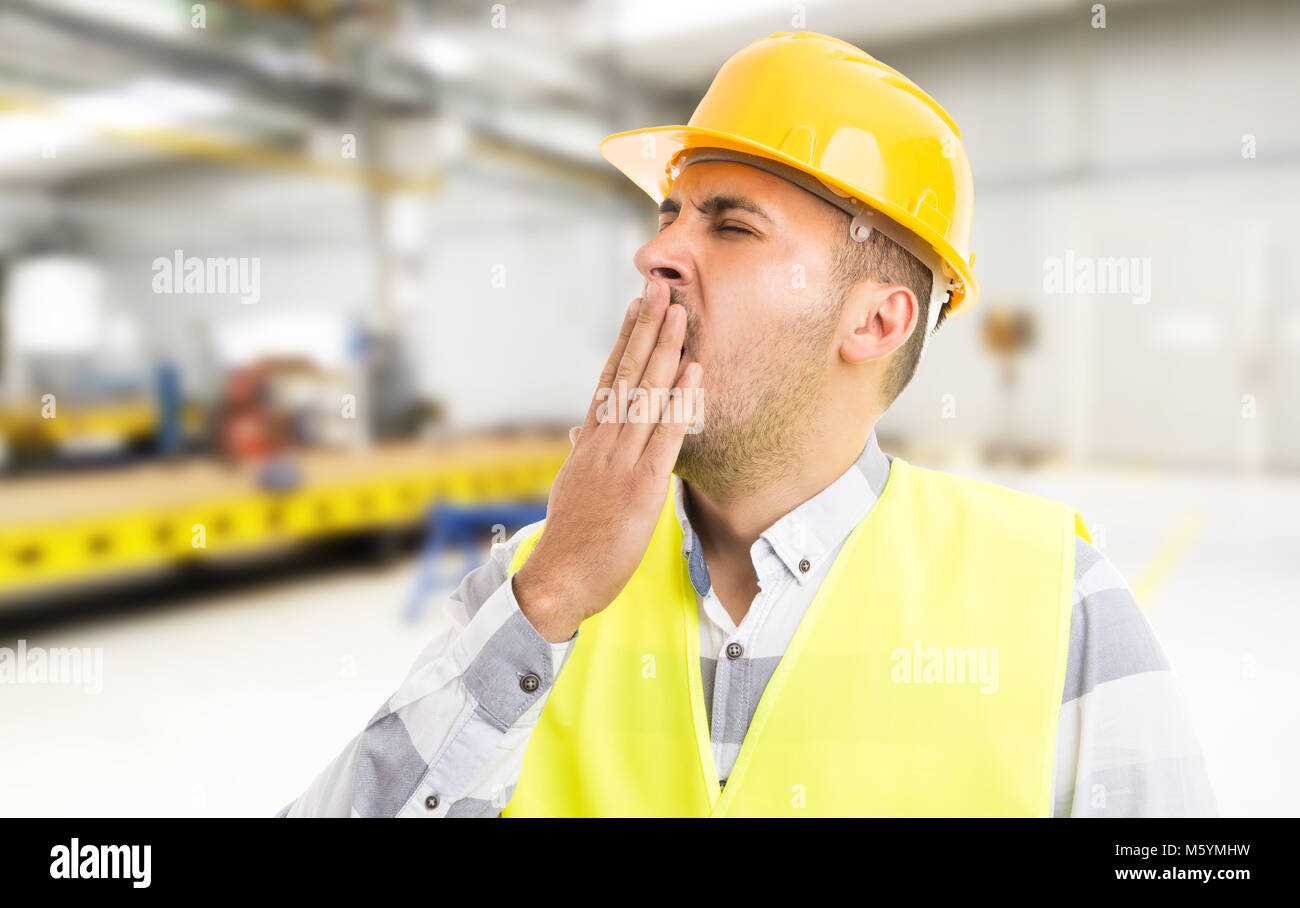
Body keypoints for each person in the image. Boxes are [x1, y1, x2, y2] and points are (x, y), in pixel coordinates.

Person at [277, 31, 1215, 817]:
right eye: (670, 213)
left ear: (875, 320)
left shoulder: (1058, 603)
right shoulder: (529, 585)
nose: (656, 253)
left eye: (731, 226)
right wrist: (549, 601)